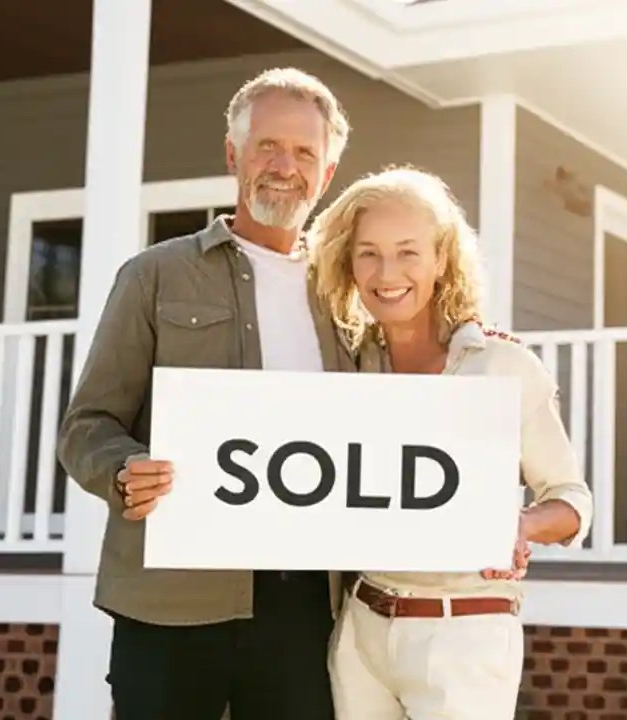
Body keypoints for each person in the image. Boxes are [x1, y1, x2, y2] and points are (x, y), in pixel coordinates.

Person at [56, 67, 353, 720]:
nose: (285, 166)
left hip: (306, 606)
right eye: (267, 146)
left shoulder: (345, 297)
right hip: (170, 601)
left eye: (305, 152)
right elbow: (87, 424)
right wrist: (123, 470)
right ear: (232, 155)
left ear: (327, 173)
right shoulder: (154, 276)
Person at [309, 166, 594, 719]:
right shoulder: (348, 368)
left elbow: (572, 498)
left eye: (408, 252)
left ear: (442, 259)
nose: (387, 272)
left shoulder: (502, 366)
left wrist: (523, 526)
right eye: (368, 253)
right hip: (360, 632)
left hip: (461, 632)